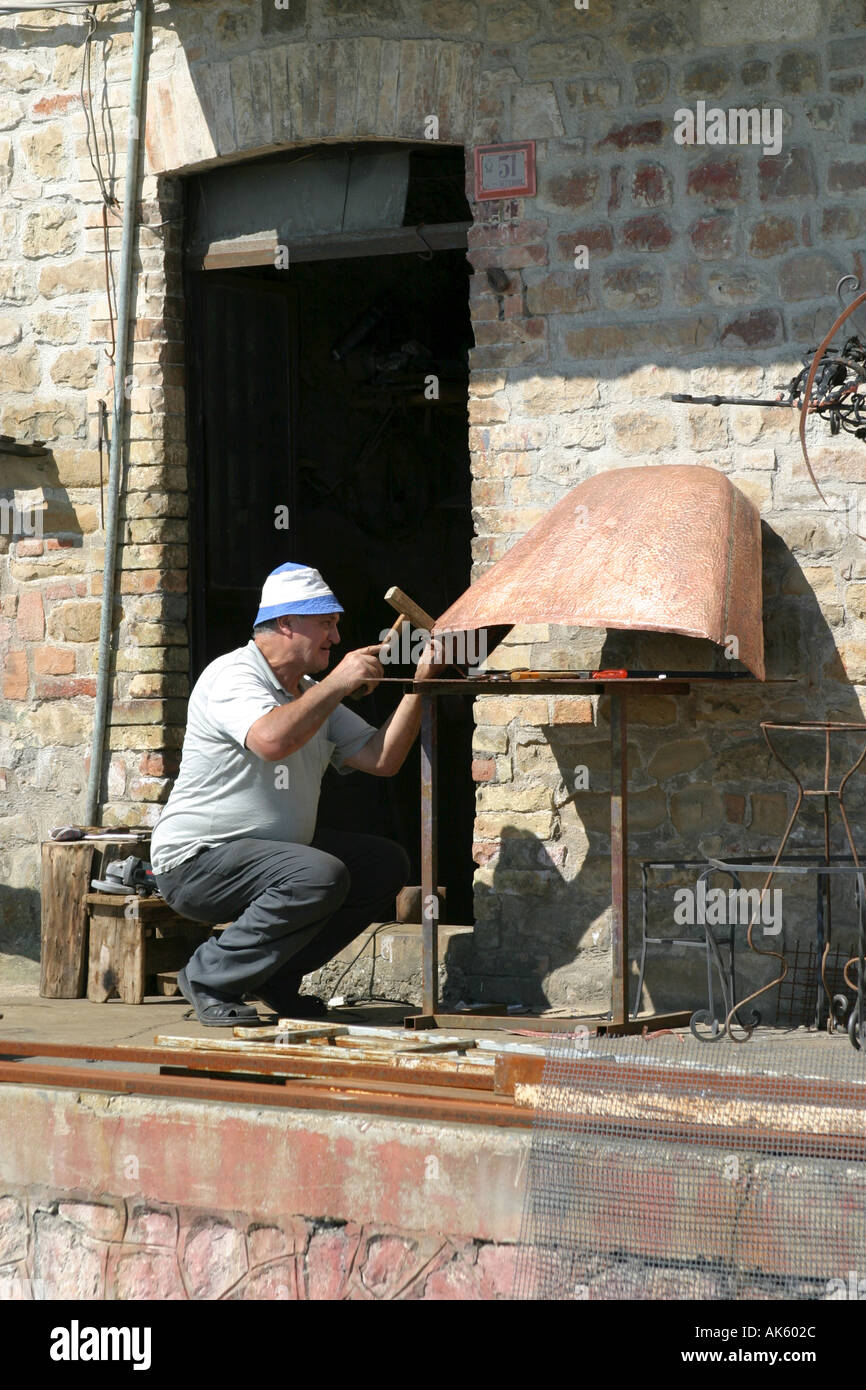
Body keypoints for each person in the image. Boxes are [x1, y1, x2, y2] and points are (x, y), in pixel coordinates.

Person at [150, 561, 439, 1025]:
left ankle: (276, 976)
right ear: (286, 623)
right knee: (317, 873)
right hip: (197, 862)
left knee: (383, 864)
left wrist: (420, 687)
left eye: (337, 625)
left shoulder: (308, 692)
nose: (337, 637)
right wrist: (341, 683)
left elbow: (381, 758)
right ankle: (209, 977)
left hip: (272, 858)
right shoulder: (233, 675)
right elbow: (271, 741)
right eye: (326, 623)